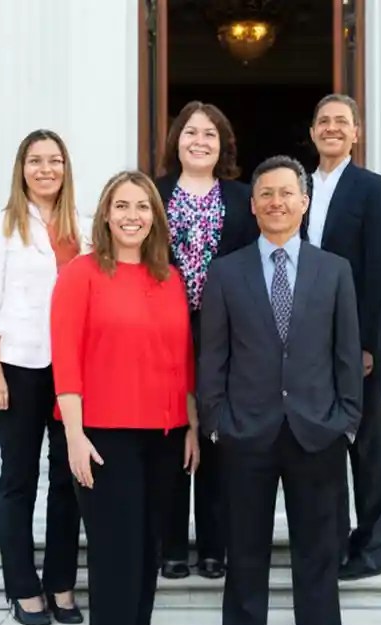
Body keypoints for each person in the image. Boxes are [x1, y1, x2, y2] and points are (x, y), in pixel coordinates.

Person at [199, 156, 362, 625]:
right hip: (247, 433)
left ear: (304, 201)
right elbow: (213, 357)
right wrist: (216, 422)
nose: (276, 202)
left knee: (318, 550)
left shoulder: (334, 270)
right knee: (244, 549)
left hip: (317, 431)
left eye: (287, 193)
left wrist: (347, 421)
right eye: (266, 194)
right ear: (253, 204)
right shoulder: (226, 272)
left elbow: (346, 356)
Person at [51, 170, 200, 625]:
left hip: (163, 433)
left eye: (142, 205)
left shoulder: (169, 278)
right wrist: (73, 434)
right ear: (106, 214)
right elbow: (64, 358)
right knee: (115, 549)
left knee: (149, 548)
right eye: (122, 205)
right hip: (103, 433)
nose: (132, 215)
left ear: (155, 216)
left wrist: (191, 426)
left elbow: (183, 358)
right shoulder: (81, 273)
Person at [0, 129, 85, 625]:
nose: (46, 169)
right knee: (19, 479)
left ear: (66, 168)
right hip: (18, 367)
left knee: (68, 479)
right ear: (21, 169)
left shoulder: (81, 228)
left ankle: (60, 583)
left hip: (70, 371)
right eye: (36, 161)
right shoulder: (2, 226)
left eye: (54, 161)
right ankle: (23, 588)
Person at [154, 100, 259, 581]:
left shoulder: (242, 199)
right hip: (163, 329)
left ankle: (215, 546)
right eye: (191, 132)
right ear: (177, 139)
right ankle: (171, 544)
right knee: (171, 433)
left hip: (224, 331)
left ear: (223, 145)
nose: (199, 141)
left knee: (217, 435)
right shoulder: (152, 194)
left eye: (210, 134)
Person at [302, 93, 381, 581]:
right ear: (313, 131)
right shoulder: (297, 188)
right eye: (324, 121)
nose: (333, 128)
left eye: (342, 122)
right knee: (322, 444)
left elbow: (380, 272)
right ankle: (333, 541)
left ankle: (374, 544)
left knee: (366, 444)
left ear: (356, 133)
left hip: (355, 339)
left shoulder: (373, 189)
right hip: (306, 340)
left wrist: (367, 345)